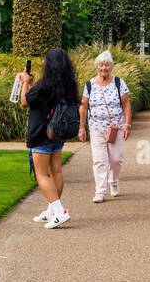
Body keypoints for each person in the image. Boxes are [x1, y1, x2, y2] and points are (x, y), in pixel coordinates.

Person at [18, 48, 79, 228]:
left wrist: (25, 82)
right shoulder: (69, 85)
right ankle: (52, 210)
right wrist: (32, 83)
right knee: (56, 171)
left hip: (40, 133)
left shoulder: (44, 85)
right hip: (57, 133)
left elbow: (24, 101)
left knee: (41, 174)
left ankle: (59, 211)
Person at [79, 50, 131, 203]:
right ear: (97, 67)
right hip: (96, 127)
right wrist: (81, 127)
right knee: (99, 160)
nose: (104, 69)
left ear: (111, 67)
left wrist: (127, 124)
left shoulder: (119, 83)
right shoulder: (89, 85)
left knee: (116, 159)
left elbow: (126, 105)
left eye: (107, 65)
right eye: (101, 66)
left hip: (116, 127)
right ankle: (100, 191)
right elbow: (83, 106)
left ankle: (113, 181)